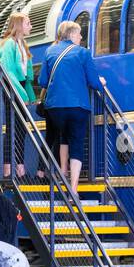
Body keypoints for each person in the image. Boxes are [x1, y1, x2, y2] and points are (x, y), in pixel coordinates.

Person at [36, 19, 104, 195]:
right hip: (77, 105)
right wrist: (101, 82)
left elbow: (42, 81)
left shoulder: (50, 51)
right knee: (77, 143)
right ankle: (73, 187)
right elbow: (94, 82)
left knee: (63, 136)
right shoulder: (83, 53)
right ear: (72, 34)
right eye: (79, 33)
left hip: (55, 107)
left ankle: (62, 172)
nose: (81, 37)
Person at [0, 11, 35, 180]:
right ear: (19, 25)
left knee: (21, 131)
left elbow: (27, 75)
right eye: (27, 23)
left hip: (20, 91)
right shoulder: (9, 45)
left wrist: (29, 95)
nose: (30, 26)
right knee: (12, 130)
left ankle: (20, 169)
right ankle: (7, 171)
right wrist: (23, 95)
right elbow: (8, 70)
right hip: (12, 92)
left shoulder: (23, 44)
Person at [35, 29, 67, 180]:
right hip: (58, 103)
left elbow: (43, 82)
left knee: (50, 137)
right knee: (60, 138)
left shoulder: (50, 52)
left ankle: (41, 170)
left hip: (49, 103)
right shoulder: (63, 53)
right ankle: (57, 171)